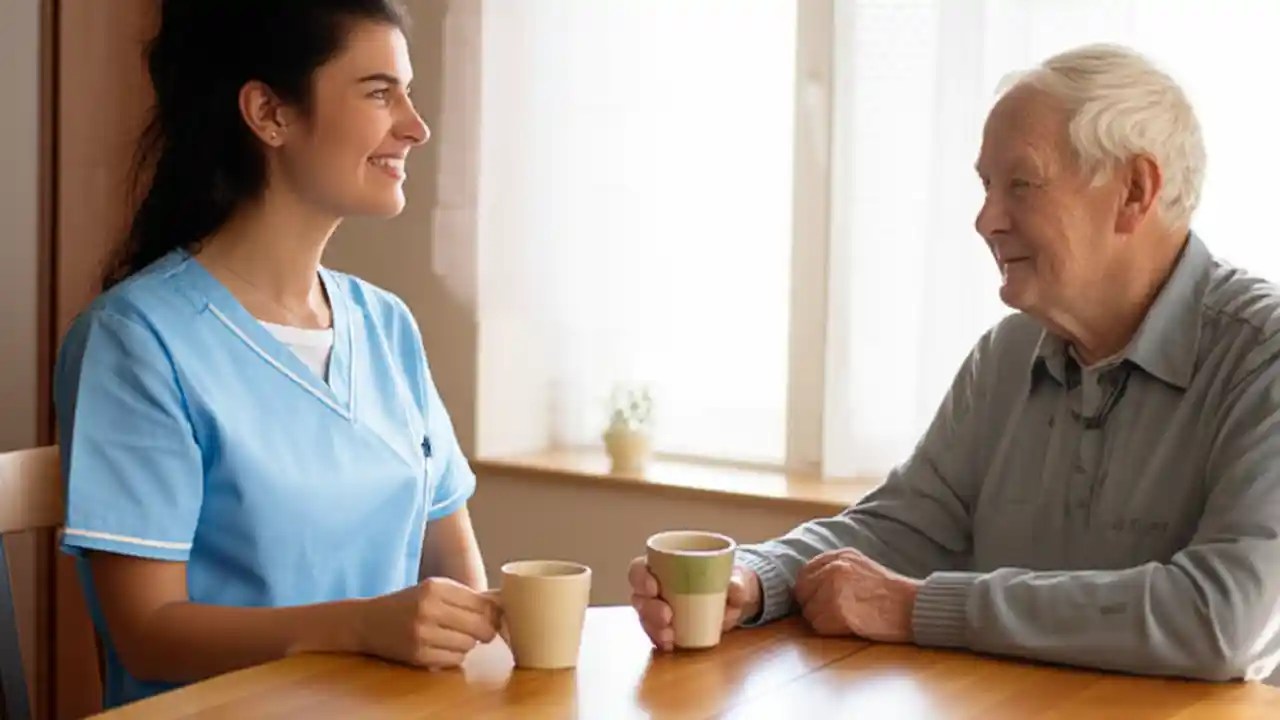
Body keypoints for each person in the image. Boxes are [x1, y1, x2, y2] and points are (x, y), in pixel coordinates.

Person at [631, 43, 1280, 683]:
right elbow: (901, 527)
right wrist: (754, 578)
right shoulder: (1006, 356)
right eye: (985, 186)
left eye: (1020, 184)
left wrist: (919, 608)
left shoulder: (1264, 356)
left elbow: (1222, 619)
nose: (985, 219)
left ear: (1135, 190)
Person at [54, 1, 499, 708]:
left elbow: (460, 577)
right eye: (380, 92)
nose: (415, 126)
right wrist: (357, 627)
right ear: (269, 113)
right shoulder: (137, 339)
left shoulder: (386, 327)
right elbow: (146, 632)